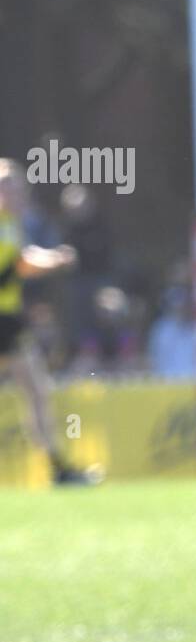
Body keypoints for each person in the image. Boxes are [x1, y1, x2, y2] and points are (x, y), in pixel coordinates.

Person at [0, 161, 101, 485]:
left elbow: (21, 262)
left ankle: (58, 468)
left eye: (19, 189)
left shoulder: (12, 224)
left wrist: (53, 258)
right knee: (35, 390)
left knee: (36, 391)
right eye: (9, 188)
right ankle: (59, 468)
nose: (16, 195)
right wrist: (56, 258)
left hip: (9, 321)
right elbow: (24, 263)